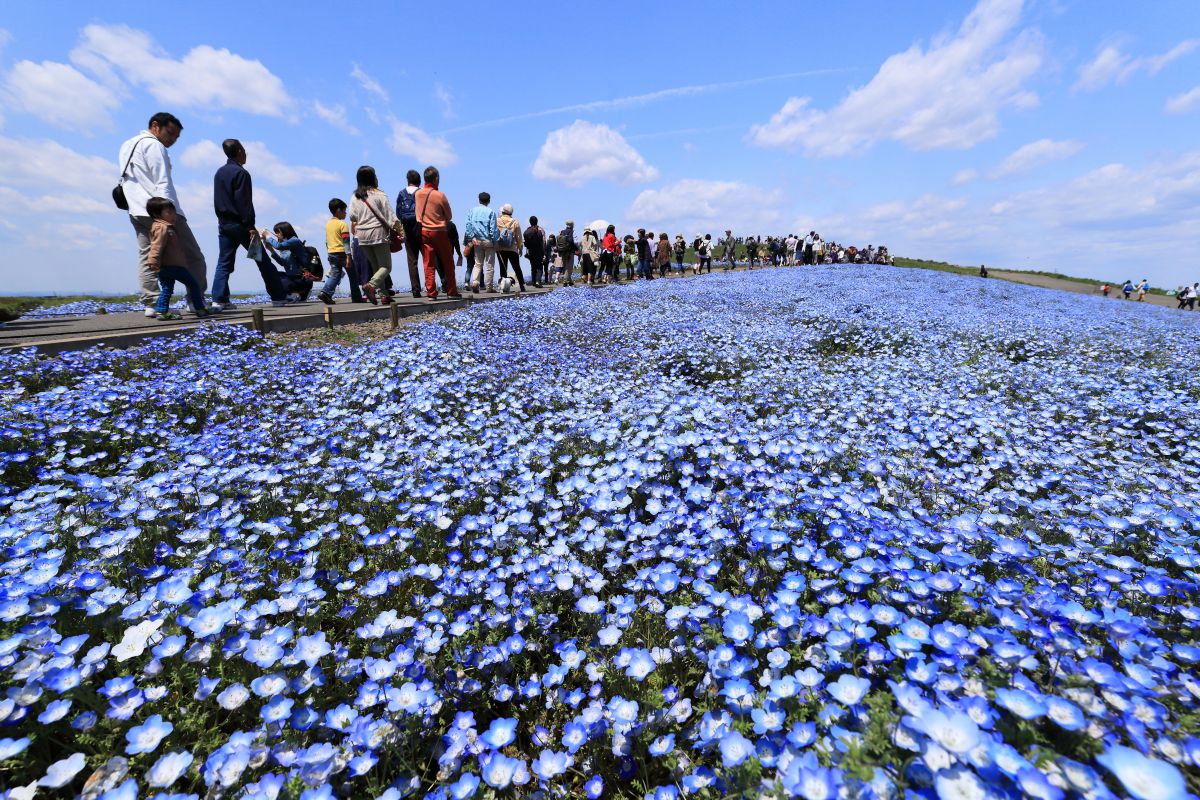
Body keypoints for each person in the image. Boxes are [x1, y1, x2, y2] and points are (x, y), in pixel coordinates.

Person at [118, 112, 210, 317]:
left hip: (136, 209)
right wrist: (171, 213)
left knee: (148, 256)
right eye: (170, 134)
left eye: (177, 138)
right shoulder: (154, 145)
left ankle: (151, 303)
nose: (172, 141)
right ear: (155, 126)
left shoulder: (127, 145)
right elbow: (163, 182)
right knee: (193, 256)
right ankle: (196, 301)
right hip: (161, 210)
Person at [211, 138, 287, 309]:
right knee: (262, 261)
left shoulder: (219, 172)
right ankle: (278, 296)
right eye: (244, 151)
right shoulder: (242, 173)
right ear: (239, 152)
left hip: (224, 225)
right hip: (242, 227)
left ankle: (219, 299)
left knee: (224, 262)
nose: (246, 154)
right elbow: (244, 203)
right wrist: (250, 226)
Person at [145, 197, 215, 321]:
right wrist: (153, 260)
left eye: (174, 212)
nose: (174, 215)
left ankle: (162, 312)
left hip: (164, 267)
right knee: (194, 284)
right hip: (173, 266)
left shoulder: (165, 226)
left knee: (167, 289)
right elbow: (156, 246)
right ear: (157, 214)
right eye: (169, 212)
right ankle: (200, 308)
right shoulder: (163, 227)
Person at [347, 165, 400, 305]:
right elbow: (391, 217)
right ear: (373, 178)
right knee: (386, 266)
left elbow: (352, 216)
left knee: (376, 266)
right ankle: (371, 285)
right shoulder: (379, 195)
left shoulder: (354, 196)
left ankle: (383, 295)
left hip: (362, 236)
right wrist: (401, 232)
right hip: (378, 233)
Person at [411, 166, 460, 300]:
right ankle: (451, 291)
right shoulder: (440, 195)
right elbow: (449, 216)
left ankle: (431, 292)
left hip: (424, 232)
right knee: (448, 262)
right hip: (439, 231)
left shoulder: (418, 194)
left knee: (428, 263)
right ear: (436, 179)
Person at [317, 198, 362, 305]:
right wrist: (348, 256)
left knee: (335, 274)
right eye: (344, 211)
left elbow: (327, 241)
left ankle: (325, 292)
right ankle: (356, 297)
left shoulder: (328, 225)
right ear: (338, 210)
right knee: (353, 275)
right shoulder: (342, 224)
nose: (345, 213)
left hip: (331, 253)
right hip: (342, 253)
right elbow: (346, 242)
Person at [260, 221, 314, 302]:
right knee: (270, 277)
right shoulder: (284, 245)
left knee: (279, 283)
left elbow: (279, 246)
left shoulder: (294, 240)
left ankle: (296, 294)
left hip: (302, 279)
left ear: (285, 231)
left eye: (278, 232)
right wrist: (271, 250)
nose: (276, 235)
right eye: (275, 233)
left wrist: (267, 236)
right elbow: (283, 263)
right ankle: (290, 295)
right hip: (292, 278)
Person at [395, 170, 424, 299]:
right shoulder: (422, 192)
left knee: (412, 260)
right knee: (428, 258)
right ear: (419, 181)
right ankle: (432, 286)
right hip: (421, 227)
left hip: (407, 228)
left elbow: (398, 213)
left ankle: (415, 289)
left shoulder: (401, 193)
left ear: (407, 180)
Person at [466, 192, 499, 292]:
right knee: (490, 265)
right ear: (489, 201)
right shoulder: (491, 212)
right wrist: (495, 241)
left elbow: (468, 226)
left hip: (477, 241)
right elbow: (493, 228)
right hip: (488, 241)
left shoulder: (472, 211)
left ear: (479, 200)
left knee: (478, 264)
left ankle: (475, 282)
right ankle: (489, 287)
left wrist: (472, 237)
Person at [494, 203, 526, 292]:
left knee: (503, 267)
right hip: (512, 248)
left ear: (503, 211)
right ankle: (522, 285)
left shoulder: (497, 220)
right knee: (517, 267)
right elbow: (519, 237)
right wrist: (520, 248)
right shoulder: (515, 221)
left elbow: (495, 233)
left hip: (501, 249)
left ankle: (503, 286)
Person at [524, 216, 547, 287]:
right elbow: (543, 242)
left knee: (533, 267)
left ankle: (534, 282)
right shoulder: (541, 230)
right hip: (539, 251)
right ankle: (538, 281)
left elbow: (525, 242)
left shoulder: (527, 231)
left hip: (531, 251)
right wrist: (544, 252)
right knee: (540, 267)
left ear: (530, 222)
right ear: (537, 221)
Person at [556, 221, 578, 286]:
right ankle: (565, 281)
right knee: (569, 267)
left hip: (563, 251)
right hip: (570, 251)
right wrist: (576, 249)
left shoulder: (562, 232)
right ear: (572, 225)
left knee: (565, 266)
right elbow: (573, 242)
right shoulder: (572, 232)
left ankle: (570, 280)